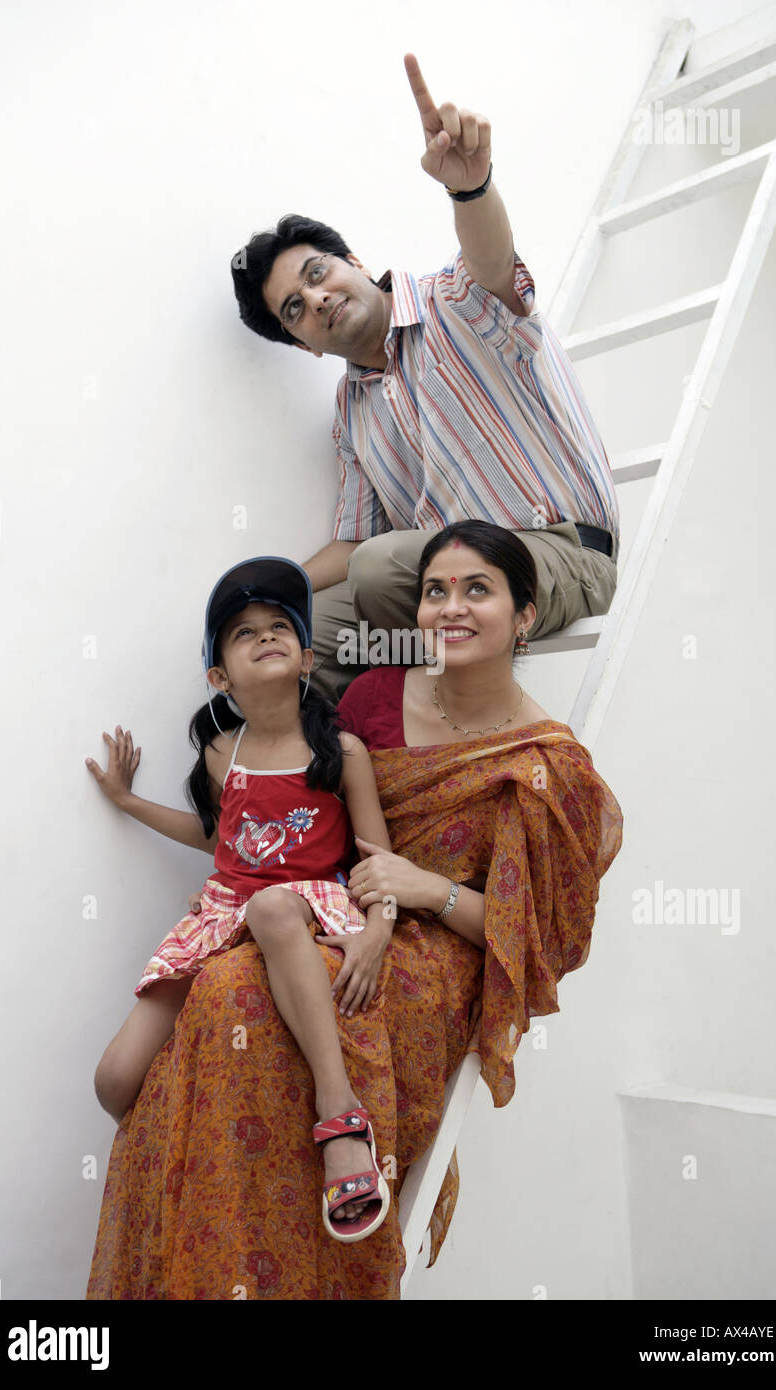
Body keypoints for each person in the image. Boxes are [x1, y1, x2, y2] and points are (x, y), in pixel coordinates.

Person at [86, 524, 622, 1299]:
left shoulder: (545, 760)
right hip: (326, 915)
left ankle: (330, 1192)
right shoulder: (371, 698)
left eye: (478, 590)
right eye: (436, 590)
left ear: (526, 615)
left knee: (242, 996)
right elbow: (288, 831)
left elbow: (535, 940)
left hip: (437, 950)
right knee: (221, 995)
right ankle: (212, 1263)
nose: (452, 608)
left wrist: (423, 892)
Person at [230, 53, 620, 702]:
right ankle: (364, 788)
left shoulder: (455, 299)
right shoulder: (351, 414)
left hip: (559, 558)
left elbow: (491, 260)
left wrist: (470, 188)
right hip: (446, 593)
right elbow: (353, 538)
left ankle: (431, 708)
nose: (317, 299)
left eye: (318, 273)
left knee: (382, 570)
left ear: (353, 260)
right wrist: (269, 594)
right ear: (302, 344)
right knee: (287, 649)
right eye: (295, 308)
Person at [86, 556, 400, 1241]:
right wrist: (127, 801)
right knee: (113, 1082)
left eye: (277, 625)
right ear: (220, 677)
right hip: (226, 908)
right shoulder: (221, 754)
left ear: (307, 656)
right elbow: (221, 842)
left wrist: (379, 928)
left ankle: (339, 1115)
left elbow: (378, 861)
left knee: (271, 906)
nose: (264, 635)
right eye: (243, 632)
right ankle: (192, 1169)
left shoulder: (342, 751)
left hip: (303, 904)